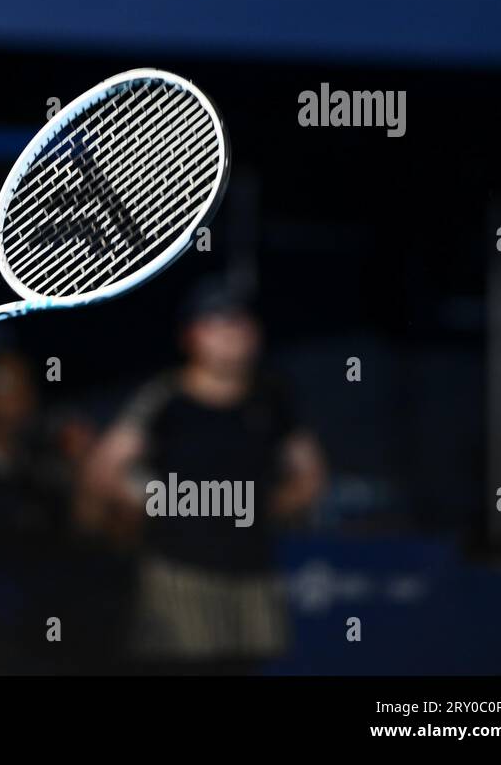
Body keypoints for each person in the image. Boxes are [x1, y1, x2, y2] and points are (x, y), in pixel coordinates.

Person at [84, 277, 327, 674]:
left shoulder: (272, 398)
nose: (233, 334)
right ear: (192, 335)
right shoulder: (165, 398)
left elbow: (310, 474)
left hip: (251, 569)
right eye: (219, 323)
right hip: (178, 572)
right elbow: (104, 469)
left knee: (245, 667)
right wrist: (161, 502)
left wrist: (270, 506)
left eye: (241, 323)